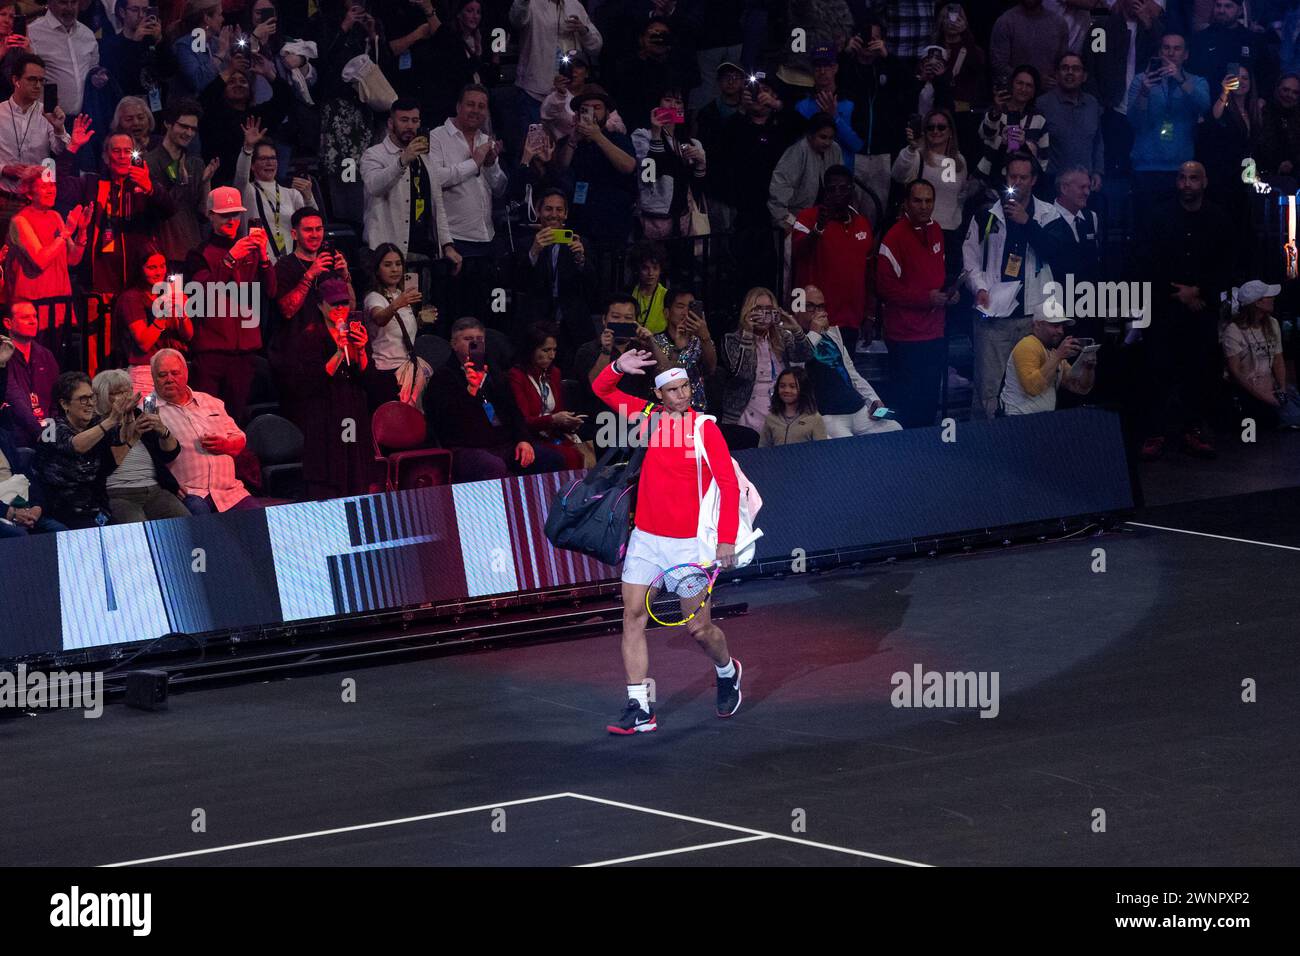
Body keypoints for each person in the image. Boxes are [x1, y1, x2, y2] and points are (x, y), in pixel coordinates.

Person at [592, 349, 742, 734]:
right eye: (672, 390)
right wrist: (617, 368)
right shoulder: (648, 420)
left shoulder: (705, 428)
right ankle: (640, 708)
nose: (681, 395)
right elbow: (601, 388)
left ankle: (727, 671)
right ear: (659, 396)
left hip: (689, 546)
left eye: (685, 387)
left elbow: (728, 485)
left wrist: (725, 541)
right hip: (646, 540)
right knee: (632, 617)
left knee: (699, 631)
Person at [1134, 161, 1232, 460]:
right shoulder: (1159, 216)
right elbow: (1145, 261)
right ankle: (1156, 432)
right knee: (1158, 371)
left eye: (1193, 178)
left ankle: (1193, 430)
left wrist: (1199, 291)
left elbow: (1227, 265)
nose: (1186, 183)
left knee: (1199, 372)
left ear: (1204, 182)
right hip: (1165, 306)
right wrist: (1179, 293)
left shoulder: (1219, 218)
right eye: (1182, 178)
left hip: (1201, 308)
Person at [962, 151, 1063, 420]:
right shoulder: (986, 215)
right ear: (1005, 177)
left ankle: (1026, 444)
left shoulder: (1048, 214)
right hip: (994, 316)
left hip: (1033, 316)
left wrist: (1026, 223)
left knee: (1032, 385)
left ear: (1033, 180)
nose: (1017, 182)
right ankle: (980, 446)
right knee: (988, 388)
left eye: (1023, 177)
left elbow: (1057, 252)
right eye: (1012, 176)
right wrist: (979, 288)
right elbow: (970, 257)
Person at [424, 316, 564, 482]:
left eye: (479, 339)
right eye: (468, 339)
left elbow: (514, 411)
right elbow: (446, 422)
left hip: (503, 443)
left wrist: (523, 440)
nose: (474, 344)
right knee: (492, 466)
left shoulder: (494, 373)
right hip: (466, 447)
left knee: (551, 458)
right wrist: (470, 392)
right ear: (453, 344)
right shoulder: (443, 377)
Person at [185, 185, 276, 423]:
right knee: (208, 419)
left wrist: (264, 256)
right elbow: (201, 295)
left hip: (244, 352)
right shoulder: (198, 254)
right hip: (211, 352)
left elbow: (271, 291)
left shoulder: (251, 251)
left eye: (235, 214)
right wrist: (230, 258)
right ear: (210, 214)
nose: (231, 220)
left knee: (238, 419)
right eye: (225, 214)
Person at [56, 130, 176, 304]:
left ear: (135, 156)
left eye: (127, 151)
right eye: (116, 151)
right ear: (106, 156)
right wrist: (72, 147)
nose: (122, 156)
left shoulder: (146, 184)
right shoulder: (91, 184)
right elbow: (53, 183)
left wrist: (150, 188)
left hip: (137, 283)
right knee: (98, 330)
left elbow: (170, 210)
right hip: (98, 282)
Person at [428, 84, 509, 320]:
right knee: (452, 313)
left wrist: (491, 164)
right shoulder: (437, 137)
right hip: (454, 240)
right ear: (458, 106)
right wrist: (473, 163)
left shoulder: (486, 139)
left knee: (481, 315)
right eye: (471, 104)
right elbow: (436, 178)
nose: (476, 110)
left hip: (486, 238)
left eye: (481, 106)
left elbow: (500, 187)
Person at [877, 179, 952, 429]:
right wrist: (926, 299)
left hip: (934, 331)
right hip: (905, 336)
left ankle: (926, 452)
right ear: (907, 203)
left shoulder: (937, 230)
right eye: (917, 201)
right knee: (904, 403)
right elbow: (885, 289)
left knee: (929, 399)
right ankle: (898, 454)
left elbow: (937, 276)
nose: (923, 206)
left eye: (928, 201)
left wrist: (948, 294)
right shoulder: (893, 237)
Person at [150, 348, 263, 514]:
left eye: (175, 373)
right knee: (203, 525)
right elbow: (146, 456)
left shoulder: (210, 401)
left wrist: (227, 445)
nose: (169, 379)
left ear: (186, 373)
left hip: (230, 492)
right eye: (162, 375)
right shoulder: (147, 407)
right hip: (190, 492)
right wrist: (167, 482)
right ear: (153, 377)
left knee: (258, 522)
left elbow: (240, 438)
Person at [359, 99, 458, 271]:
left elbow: (437, 204)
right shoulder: (373, 155)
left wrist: (447, 244)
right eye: (404, 120)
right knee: (389, 299)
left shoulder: (426, 158)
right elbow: (374, 186)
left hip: (423, 251)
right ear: (391, 123)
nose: (410, 126)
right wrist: (403, 160)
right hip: (386, 254)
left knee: (421, 298)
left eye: (414, 121)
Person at [6, 165, 89, 361]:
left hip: (58, 304)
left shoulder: (56, 217)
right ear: (29, 192)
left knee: (57, 361)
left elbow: (72, 260)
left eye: (53, 185)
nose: (51, 190)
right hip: (34, 308)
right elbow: (40, 261)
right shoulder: (20, 221)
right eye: (44, 186)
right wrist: (66, 233)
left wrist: (82, 232)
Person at [1127, 33, 1211, 226]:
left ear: (1186, 54)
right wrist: (1144, 92)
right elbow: (1133, 121)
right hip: (1146, 166)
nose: (1171, 53)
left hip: (1181, 170)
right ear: (1159, 52)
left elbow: (1204, 105)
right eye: (1166, 48)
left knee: (1178, 228)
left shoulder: (1196, 81)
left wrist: (1180, 79)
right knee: (1145, 229)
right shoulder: (1141, 80)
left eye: (1177, 48)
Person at [799, 283, 903, 438]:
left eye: (821, 307)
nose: (817, 312)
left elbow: (852, 373)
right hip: (829, 415)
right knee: (848, 448)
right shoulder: (791, 339)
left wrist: (874, 400)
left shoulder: (833, 335)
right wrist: (814, 332)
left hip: (857, 408)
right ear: (797, 309)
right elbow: (796, 366)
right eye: (810, 307)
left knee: (894, 429)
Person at [791, 165, 875, 354]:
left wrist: (870, 315)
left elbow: (869, 274)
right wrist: (819, 228)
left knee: (846, 380)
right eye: (832, 189)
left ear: (851, 190)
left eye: (843, 188)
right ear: (824, 190)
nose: (837, 193)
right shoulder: (807, 218)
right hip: (816, 321)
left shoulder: (862, 224)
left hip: (850, 321)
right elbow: (799, 252)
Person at [31, 370, 129, 529]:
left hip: (96, 509)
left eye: (92, 397)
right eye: (83, 399)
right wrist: (110, 421)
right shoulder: (51, 428)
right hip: (60, 511)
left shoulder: (96, 424)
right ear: (64, 404)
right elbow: (77, 446)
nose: (90, 403)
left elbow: (117, 454)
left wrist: (131, 421)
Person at [90, 368, 189, 523]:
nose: (126, 397)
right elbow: (107, 463)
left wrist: (163, 431)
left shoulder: (139, 414)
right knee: (137, 531)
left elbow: (170, 453)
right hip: (118, 493)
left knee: (184, 522)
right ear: (102, 397)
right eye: (118, 393)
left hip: (154, 490)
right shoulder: (95, 425)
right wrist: (131, 433)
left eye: (128, 391)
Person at [514, 187, 597, 366]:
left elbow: (594, 289)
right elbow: (518, 282)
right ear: (538, 211)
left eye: (559, 210)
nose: (554, 214)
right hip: (536, 323)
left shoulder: (579, 243)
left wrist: (581, 260)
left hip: (572, 324)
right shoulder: (525, 244)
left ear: (566, 214)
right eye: (548, 209)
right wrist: (533, 252)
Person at [509, 0, 603, 153]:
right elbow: (516, 20)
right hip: (535, 93)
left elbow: (596, 46)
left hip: (568, 98)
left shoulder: (575, 5)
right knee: (534, 153)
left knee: (566, 152)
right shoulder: (530, 3)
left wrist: (583, 30)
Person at [720, 286, 811, 433]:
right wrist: (748, 333)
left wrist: (796, 330)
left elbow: (805, 356)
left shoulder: (782, 336)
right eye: (758, 309)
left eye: (768, 309)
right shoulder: (732, 339)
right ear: (748, 311)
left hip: (781, 402)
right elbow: (744, 373)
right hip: (749, 408)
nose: (764, 314)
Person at [553, 86, 637, 244]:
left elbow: (629, 167)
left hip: (613, 219)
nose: (592, 113)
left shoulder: (618, 139)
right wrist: (573, 141)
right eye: (586, 109)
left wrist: (598, 137)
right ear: (577, 113)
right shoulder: (568, 142)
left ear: (606, 112)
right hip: (579, 221)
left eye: (597, 108)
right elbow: (560, 169)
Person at [0, 53, 72, 233]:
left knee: (35, 258)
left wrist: (58, 128)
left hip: (36, 202)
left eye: (41, 80)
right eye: (32, 79)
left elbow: (61, 150)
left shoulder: (48, 113)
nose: (38, 85)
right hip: (3, 197)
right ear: (16, 80)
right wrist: (4, 168)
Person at [891, 107, 972, 265]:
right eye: (930, 127)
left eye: (941, 127)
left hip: (950, 234)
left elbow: (961, 193)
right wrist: (911, 148)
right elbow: (897, 175)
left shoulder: (960, 160)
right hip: (921, 232)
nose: (936, 131)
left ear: (950, 131)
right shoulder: (916, 155)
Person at [506, 322, 591, 471]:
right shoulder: (517, 376)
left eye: (554, 350)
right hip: (530, 438)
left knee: (583, 450)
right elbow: (523, 421)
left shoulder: (554, 373)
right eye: (546, 350)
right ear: (530, 350)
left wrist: (568, 422)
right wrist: (553, 419)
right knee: (566, 456)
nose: (551, 355)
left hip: (553, 434)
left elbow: (557, 410)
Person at [363, 242, 434, 409]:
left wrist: (421, 320)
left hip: (407, 366)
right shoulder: (374, 297)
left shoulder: (401, 295)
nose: (394, 269)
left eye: (398, 264)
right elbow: (380, 318)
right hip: (386, 372)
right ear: (377, 269)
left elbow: (401, 330)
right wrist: (398, 303)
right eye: (387, 265)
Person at [572, 293, 656, 434]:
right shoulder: (588, 349)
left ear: (636, 322)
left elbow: (668, 376)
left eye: (628, 318)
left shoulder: (643, 349)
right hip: (600, 423)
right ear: (604, 320)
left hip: (637, 423)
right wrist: (606, 351)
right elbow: (594, 388)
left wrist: (652, 344)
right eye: (616, 317)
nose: (622, 322)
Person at [146, 99, 217, 265]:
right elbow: (155, 212)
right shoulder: (148, 163)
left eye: (193, 129)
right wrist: (179, 184)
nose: (189, 133)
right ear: (167, 124)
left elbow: (204, 215)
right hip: (162, 251)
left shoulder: (195, 164)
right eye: (183, 126)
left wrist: (206, 183)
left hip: (192, 248)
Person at [631, 86, 708, 240]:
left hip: (683, 218)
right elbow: (649, 176)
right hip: (654, 218)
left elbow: (697, 187)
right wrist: (656, 133)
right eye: (667, 100)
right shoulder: (642, 136)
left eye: (678, 102)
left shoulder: (692, 143)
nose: (673, 106)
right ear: (657, 104)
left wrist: (700, 165)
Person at [114, 247, 193, 394]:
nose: (159, 272)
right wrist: (163, 314)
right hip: (145, 371)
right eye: (152, 267)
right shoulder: (131, 298)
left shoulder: (166, 292)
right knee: (149, 414)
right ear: (139, 269)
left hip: (172, 367)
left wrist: (183, 312)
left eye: (162, 266)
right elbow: (144, 343)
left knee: (173, 414)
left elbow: (187, 335)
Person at [1222, 281, 1293, 427]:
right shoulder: (1233, 330)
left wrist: (1282, 389)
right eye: (1268, 296)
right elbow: (1235, 372)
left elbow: (1278, 358)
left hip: (1269, 385)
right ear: (1257, 303)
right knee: (1281, 417)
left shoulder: (1272, 323)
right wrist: (1265, 397)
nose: (1273, 298)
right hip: (1247, 390)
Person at [237, 135, 314, 264]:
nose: (269, 163)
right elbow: (241, 176)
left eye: (273, 158)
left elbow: (313, 225)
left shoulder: (292, 194)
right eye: (263, 159)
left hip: (288, 267)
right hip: (258, 267)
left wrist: (308, 197)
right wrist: (248, 149)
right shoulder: (248, 192)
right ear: (252, 165)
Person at [998, 313, 1095, 414]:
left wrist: (1088, 368)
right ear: (1038, 325)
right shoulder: (1027, 345)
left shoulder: (1054, 353)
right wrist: (1058, 356)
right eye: (1055, 326)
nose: (1061, 331)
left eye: (1062, 326)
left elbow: (1079, 387)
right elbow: (1032, 388)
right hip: (1017, 418)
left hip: (1042, 419)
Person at [768, 113, 844, 238]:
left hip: (824, 216)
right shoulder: (797, 151)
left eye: (831, 138)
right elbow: (780, 185)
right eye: (823, 137)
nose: (827, 142)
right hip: (796, 216)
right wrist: (785, 221)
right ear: (810, 135)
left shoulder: (835, 149)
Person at [1037, 53, 1105, 193]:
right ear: (1056, 74)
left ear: (1084, 76)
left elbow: (1098, 141)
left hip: (1086, 184)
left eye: (1076, 69)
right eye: (1065, 68)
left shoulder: (1092, 103)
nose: (1070, 72)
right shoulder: (1042, 104)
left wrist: (1098, 171)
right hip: (1053, 184)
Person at [646, 288, 716, 413]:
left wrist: (705, 338)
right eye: (680, 306)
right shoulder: (654, 341)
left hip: (696, 411)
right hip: (664, 413)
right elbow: (665, 377)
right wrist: (678, 348)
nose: (686, 312)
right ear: (666, 313)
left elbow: (710, 369)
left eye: (691, 307)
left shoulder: (700, 340)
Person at [977, 64, 1050, 182]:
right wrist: (996, 113)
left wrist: (1024, 145)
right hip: (989, 180)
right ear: (1011, 85)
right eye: (1019, 83)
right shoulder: (996, 111)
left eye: (1029, 86)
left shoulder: (1039, 119)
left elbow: (1043, 161)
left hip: (1020, 183)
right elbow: (984, 135)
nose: (1023, 89)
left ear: (1034, 92)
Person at [2, 299, 59, 447]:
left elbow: (56, 398)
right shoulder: (3, 356)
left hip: (48, 431)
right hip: (16, 436)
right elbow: (13, 398)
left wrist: (51, 432)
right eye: (25, 317)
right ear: (8, 323)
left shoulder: (45, 355)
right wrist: (39, 432)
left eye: (34, 316)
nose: (33, 321)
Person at [27, 0, 99, 117]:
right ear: (50, 3)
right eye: (63, 2)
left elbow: (93, 73)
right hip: (45, 118)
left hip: (82, 118)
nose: (70, 8)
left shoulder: (87, 34)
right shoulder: (33, 33)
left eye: (74, 2)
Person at [796, 45, 862, 171]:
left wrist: (835, 118)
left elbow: (857, 145)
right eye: (818, 66)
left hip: (841, 179)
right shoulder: (801, 106)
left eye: (827, 66)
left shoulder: (851, 103)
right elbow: (798, 147)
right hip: (809, 176)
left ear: (835, 68)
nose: (822, 71)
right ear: (812, 70)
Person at [989, 0, 1069, 88]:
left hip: (1050, 95)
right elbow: (999, 66)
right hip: (1016, 94)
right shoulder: (1005, 22)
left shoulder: (1059, 24)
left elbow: (1063, 64)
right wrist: (1034, 79)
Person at [758, 366, 826, 447]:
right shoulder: (771, 417)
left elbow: (821, 452)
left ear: (803, 389)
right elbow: (763, 449)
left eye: (792, 386)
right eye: (782, 386)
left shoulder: (815, 418)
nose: (786, 390)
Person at [1258, 73, 1300, 180]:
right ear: (1277, 89)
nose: (1289, 95)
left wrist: (1292, 162)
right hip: (1263, 177)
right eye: (1285, 90)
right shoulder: (1262, 112)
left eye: (1295, 92)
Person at [628, 240, 670, 335]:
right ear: (637, 269)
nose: (650, 273)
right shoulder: (628, 293)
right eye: (645, 268)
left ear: (661, 270)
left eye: (655, 268)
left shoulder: (667, 296)